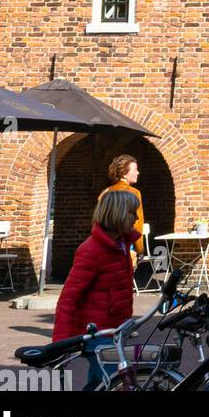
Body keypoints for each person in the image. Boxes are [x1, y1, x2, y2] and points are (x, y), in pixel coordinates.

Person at [53, 190, 141, 390]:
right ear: (117, 214)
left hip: (115, 330)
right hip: (97, 333)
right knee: (114, 383)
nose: (136, 217)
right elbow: (69, 297)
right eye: (132, 212)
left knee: (99, 384)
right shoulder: (91, 250)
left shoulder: (122, 243)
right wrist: (60, 342)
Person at [98, 154, 144, 259]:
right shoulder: (134, 193)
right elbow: (137, 223)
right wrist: (140, 249)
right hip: (126, 243)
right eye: (135, 170)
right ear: (124, 174)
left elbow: (98, 220)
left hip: (104, 243)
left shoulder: (105, 192)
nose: (138, 172)